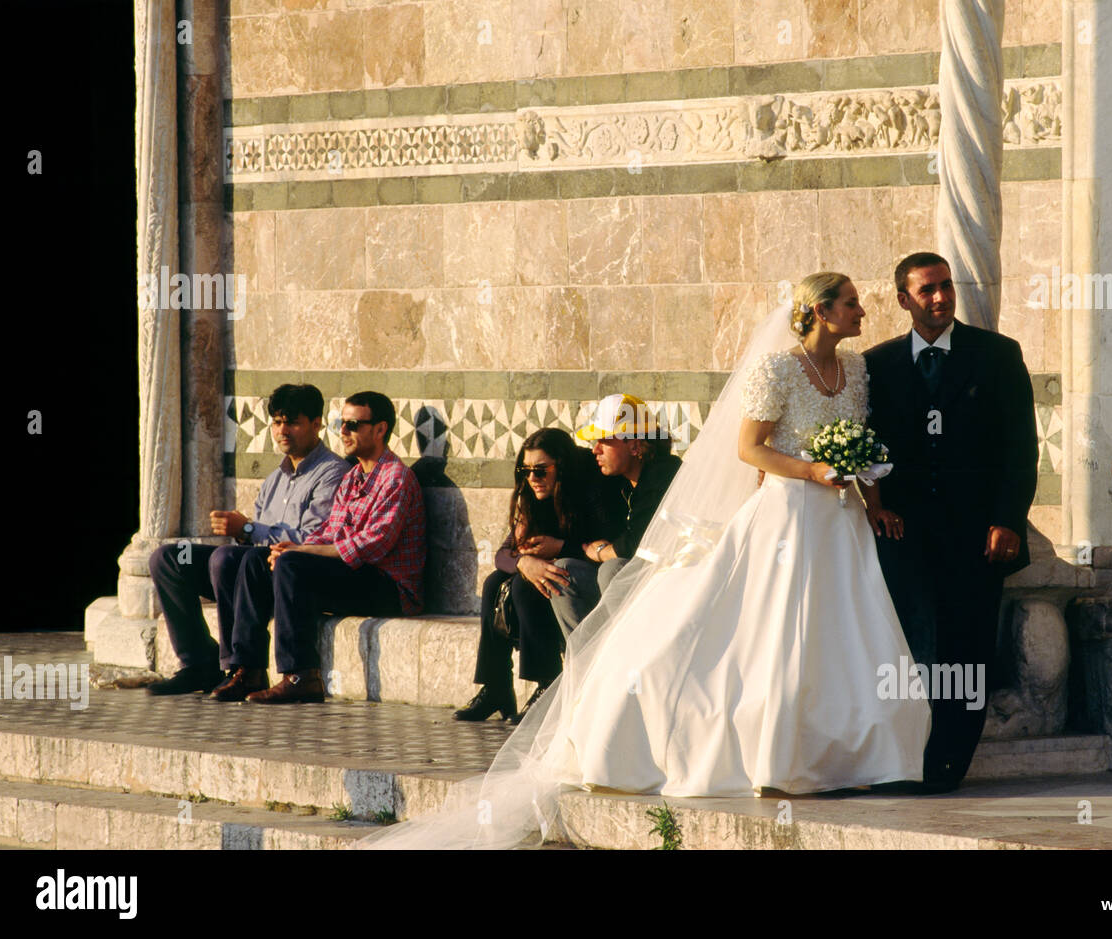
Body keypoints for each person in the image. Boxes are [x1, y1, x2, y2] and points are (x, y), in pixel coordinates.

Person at [360, 273, 931, 849]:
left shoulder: (855, 369)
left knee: (846, 629)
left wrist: (873, 503)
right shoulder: (776, 369)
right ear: (820, 311)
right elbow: (749, 448)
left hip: (841, 521)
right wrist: (811, 471)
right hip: (786, 513)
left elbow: (862, 445)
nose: (863, 310)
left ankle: (859, 749)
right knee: (777, 629)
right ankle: (773, 749)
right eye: (851, 302)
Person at [864, 252, 1038, 792]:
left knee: (967, 650)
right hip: (905, 538)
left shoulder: (997, 355)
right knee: (915, 648)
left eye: (945, 287)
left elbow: (1021, 449)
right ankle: (909, 756)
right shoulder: (877, 364)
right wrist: (877, 508)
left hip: (978, 537)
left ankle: (948, 764)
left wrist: (1008, 519)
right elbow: (868, 451)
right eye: (926, 291)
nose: (939, 298)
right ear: (902, 300)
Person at [145, 384, 347, 696]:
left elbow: (311, 540)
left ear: (316, 424)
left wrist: (250, 530)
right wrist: (241, 531)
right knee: (170, 558)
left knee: (226, 557)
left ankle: (243, 668)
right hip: (248, 572)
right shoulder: (275, 479)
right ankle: (198, 663)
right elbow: (250, 543)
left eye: (292, 422)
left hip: (284, 573)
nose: (282, 431)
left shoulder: (331, 473)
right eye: (277, 422)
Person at [236, 391, 426, 703]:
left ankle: (301, 676)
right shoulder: (352, 477)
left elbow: (371, 547)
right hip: (355, 576)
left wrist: (302, 553)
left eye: (353, 424)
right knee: (258, 559)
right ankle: (249, 669)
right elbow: (330, 532)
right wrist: (292, 547)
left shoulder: (396, 478)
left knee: (292, 564)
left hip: (388, 588)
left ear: (380, 429)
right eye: (341, 423)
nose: (343, 431)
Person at [454, 429, 617, 725]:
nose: (533, 479)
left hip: (584, 580)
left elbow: (603, 545)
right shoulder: (530, 497)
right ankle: (496, 687)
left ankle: (548, 684)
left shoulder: (591, 489)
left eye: (541, 471)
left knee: (525, 587)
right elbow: (503, 554)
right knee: (494, 583)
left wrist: (559, 549)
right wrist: (525, 562)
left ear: (562, 467)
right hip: (551, 577)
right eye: (526, 471)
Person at [547, 393, 681, 633]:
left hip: (669, 585)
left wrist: (601, 552)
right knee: (563, 572)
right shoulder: (616, 480)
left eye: (604, 440)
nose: (595, 449)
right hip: (632, 585)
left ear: (635, 445)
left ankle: (621, 660)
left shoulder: (664, 473)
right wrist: (524, 560)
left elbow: (636, 545)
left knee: (613, 568)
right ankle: (586, 665)